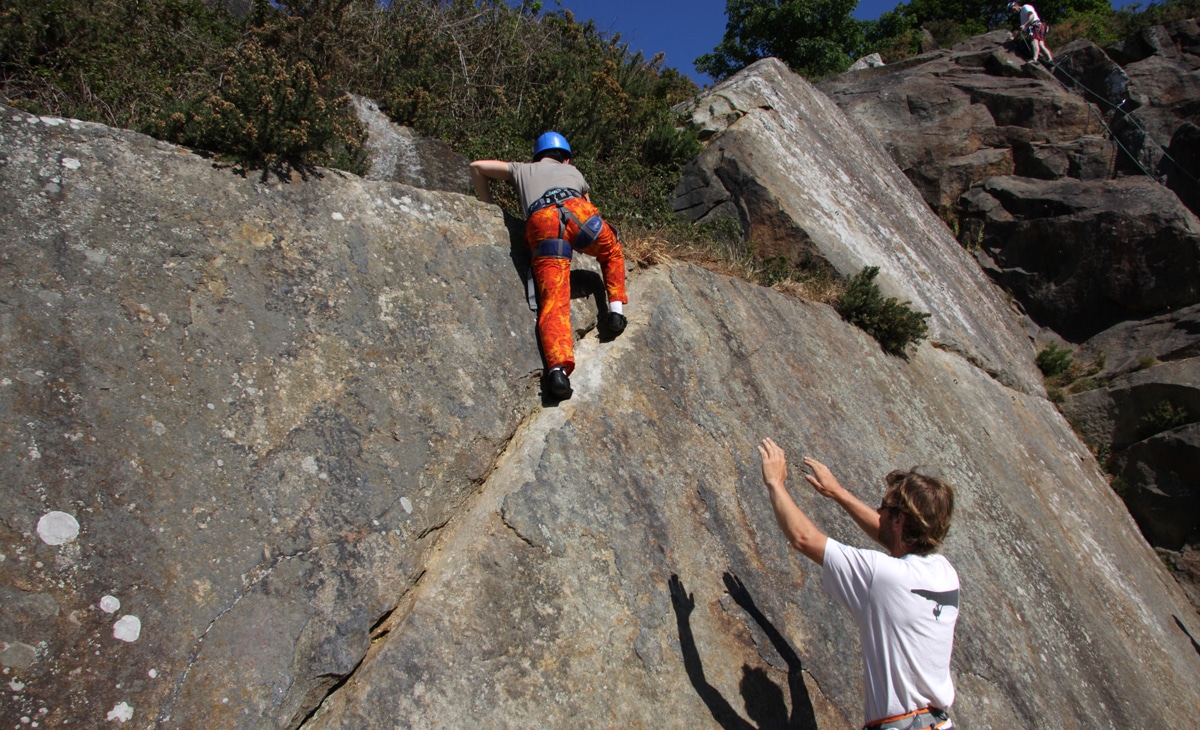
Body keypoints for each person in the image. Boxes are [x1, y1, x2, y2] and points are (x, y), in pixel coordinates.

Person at [757, 437, 959, 730]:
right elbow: (889, 535)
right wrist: (838, 493)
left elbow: (804, 539)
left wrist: (775, 483)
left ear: (900, 519)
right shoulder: (946, 574)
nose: (878, 512)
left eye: (883, 507)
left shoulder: (884, 576)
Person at [470, 132, 628, 400]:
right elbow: (590, 209)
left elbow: (477, 167)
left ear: (538, 156)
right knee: (611, 252)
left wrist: (489, 207)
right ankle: (615, 312)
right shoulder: (573, 171)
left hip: (542, 222)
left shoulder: (521, 169)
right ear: (565, 159)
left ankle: (557, 371)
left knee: (554, 299)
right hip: (579, 213)